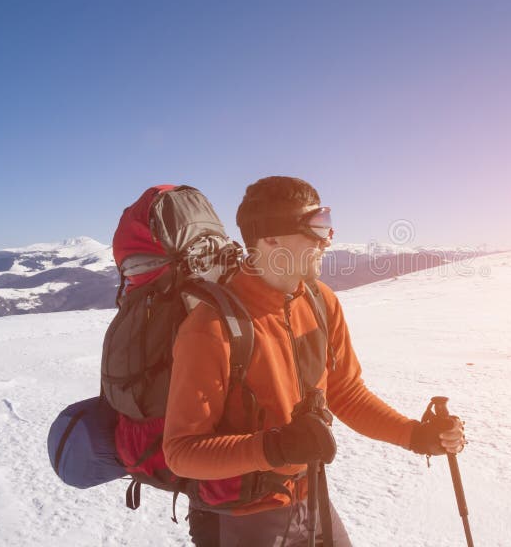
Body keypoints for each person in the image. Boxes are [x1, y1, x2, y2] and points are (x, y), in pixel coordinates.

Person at [163, 176, 466, 546]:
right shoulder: (211, 328)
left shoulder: (320, 301)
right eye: (316, 226)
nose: (328, 239)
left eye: (328, 223)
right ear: (270, 238)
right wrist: (274, 448)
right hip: (238, 515)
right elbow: (182, 453)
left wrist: (416, 435)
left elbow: (347, 393)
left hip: (310, 493)